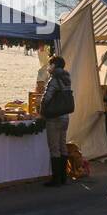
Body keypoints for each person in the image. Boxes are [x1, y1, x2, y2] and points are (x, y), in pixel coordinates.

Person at [41, 55, 74, 186]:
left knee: (54, 147)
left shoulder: (54, 79)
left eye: (50, 64)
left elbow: (47, 97)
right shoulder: (67, 78)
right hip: (65, 116)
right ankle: (63, 177)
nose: (49, 67)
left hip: (54, 117)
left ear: (54, 65)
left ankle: (56, 179)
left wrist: (41, 110)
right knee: (62, 145)